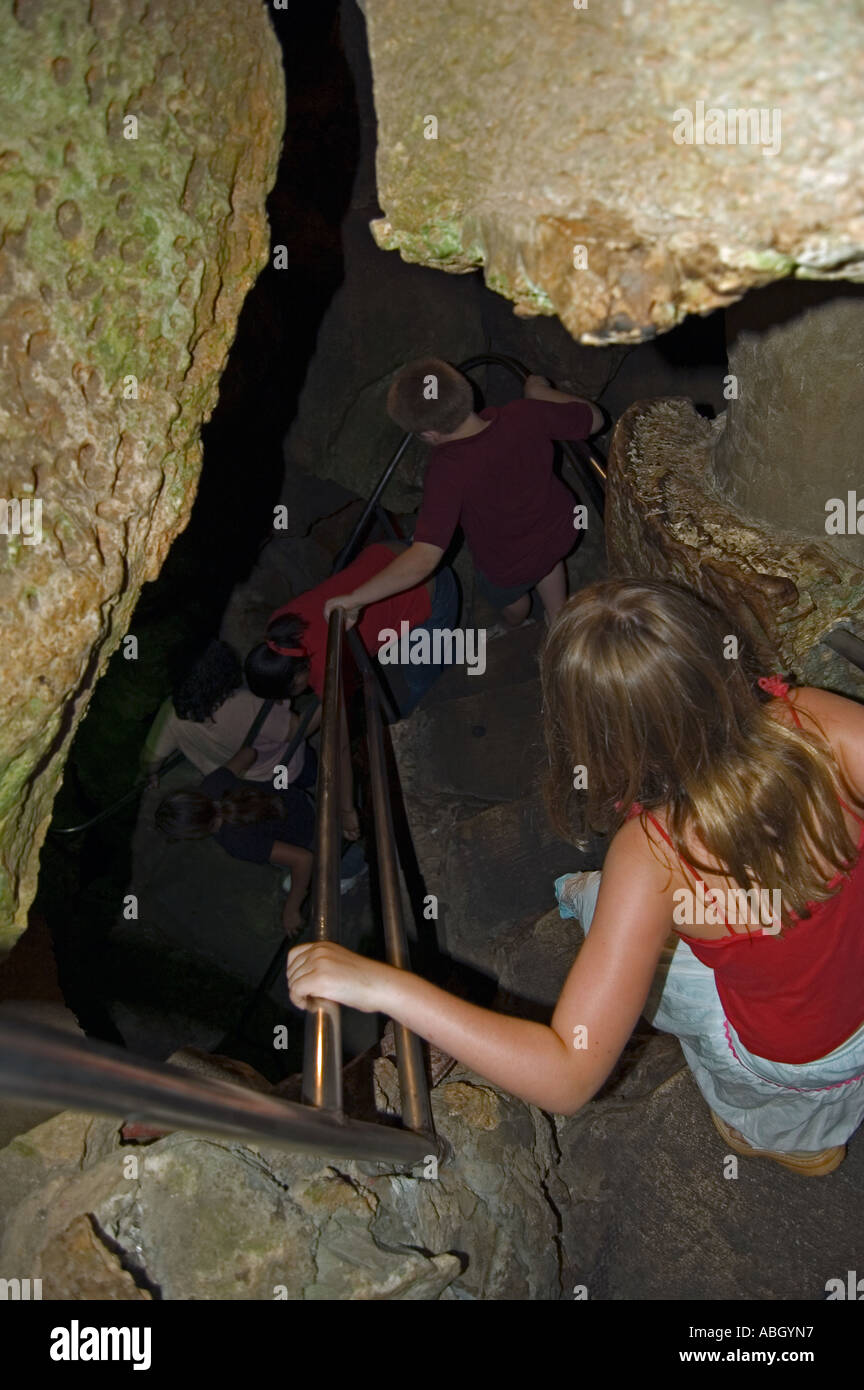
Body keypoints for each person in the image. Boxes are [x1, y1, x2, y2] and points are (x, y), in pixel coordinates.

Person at [286, 579, 864, 1176]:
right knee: (622, 915)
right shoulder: (823, 719)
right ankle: (585, 899)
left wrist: (385, 987)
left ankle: (795, 1140)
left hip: (800, 1059)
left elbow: (568, 1073)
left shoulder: (651, 858)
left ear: (596, 731)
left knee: (627, 938)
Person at [322, 358, 603, 633]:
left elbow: (423, 558)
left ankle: (514, 624)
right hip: (558, 531)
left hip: (508, 564)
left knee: (512, 602)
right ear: (465, 392)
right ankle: (558, 617)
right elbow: (596, 419)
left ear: (429, 434)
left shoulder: (446, 474)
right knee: (547, 562)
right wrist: (540, 393)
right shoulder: (524, 413)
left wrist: (355, 598)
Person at [245, 540, 459, 841]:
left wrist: (347, 810)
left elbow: (340, 745)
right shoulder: (278, 629)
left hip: (431, 588)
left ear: (298, 677)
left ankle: (447, 690)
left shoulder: (326, 669)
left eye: (290, 692)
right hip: (392, 553)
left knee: (420, 682)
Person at [155, 744, 314, 937]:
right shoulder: (213, 784)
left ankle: (352, 867)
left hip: (310, 833)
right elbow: (249, 753)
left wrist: (292, 907)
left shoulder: (236, 842)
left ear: (194, 833)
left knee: (312, 867)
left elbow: (303, 859)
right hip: (299, 800)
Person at [141, 639, 308, 786]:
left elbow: (150, 760)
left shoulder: (171, 711)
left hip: (235, 779)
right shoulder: (250, 703)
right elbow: (298, 730)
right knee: (308, 771)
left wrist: (151, 774)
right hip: (281, 771)